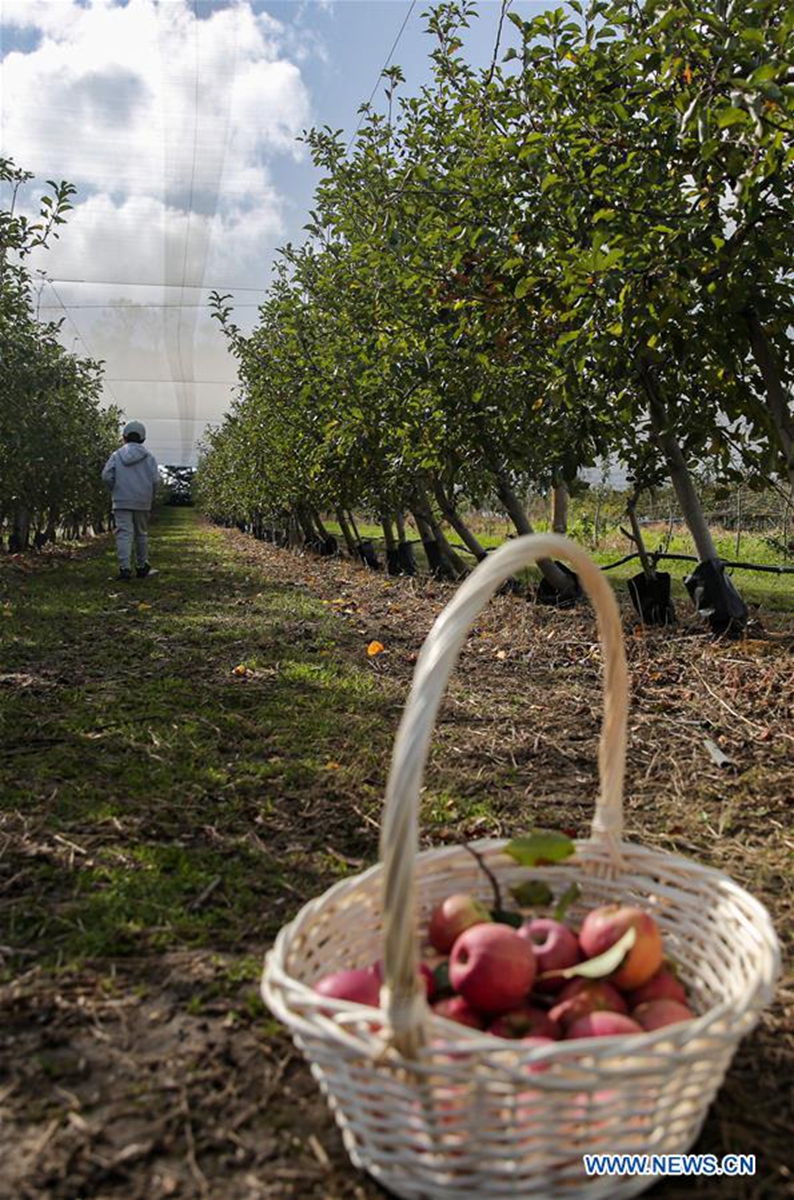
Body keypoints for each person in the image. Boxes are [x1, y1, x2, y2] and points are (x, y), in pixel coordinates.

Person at [102, 420, 160, 580]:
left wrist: (115, 488)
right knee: (141, 533)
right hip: (142, 500)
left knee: (124, 534)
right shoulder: (149, 457)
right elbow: (155, 480)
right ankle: (142, 566)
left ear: (124, 437)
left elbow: (106, 475)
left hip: (121, 500)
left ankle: (124, 569)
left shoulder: (117, 455)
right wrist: (150, 495)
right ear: (143, 439)